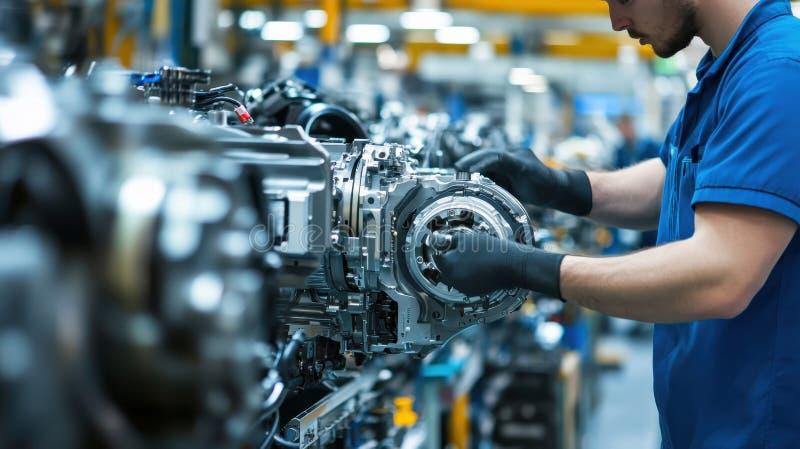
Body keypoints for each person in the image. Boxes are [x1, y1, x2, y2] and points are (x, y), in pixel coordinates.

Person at [433, 0, 800, 447]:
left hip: (757, 429)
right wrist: (557, 184)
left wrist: (528, 268)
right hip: (707, 420)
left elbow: (721, 275)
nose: (616, 20)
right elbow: (677, 179)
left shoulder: (778, 73)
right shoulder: (728, 68)